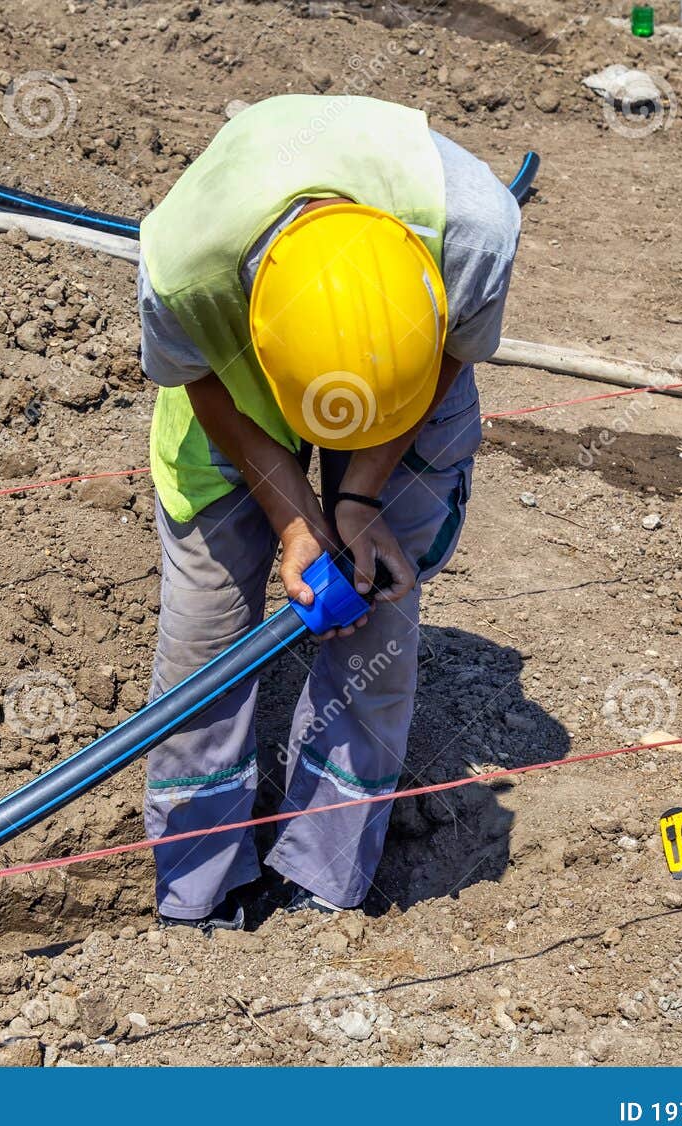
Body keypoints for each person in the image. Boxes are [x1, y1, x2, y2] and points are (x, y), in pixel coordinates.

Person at [136, 93, 520, 930]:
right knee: (204, 648)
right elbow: (202, 382)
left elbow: (449, 357)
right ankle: (201, 893)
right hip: (231, 392)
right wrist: (292, 517)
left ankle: (326, 880)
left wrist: (357, 495)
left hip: (406, 378)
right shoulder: (183, 263)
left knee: (376, 618)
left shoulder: (475, 233)